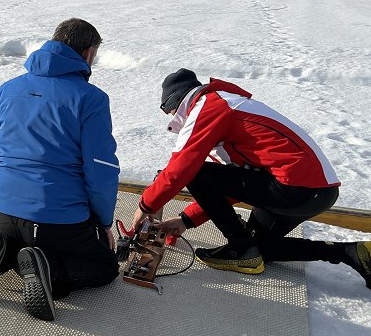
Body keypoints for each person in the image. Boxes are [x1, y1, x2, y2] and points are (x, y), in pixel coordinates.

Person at [130, 69, 370, 287]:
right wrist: (186, 220)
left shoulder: (210, 105)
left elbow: (182, 167)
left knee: (197, 171)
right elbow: (237, 186)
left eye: (170, 113)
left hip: (295, 187)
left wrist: (146, 204)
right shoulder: (230, 105)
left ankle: (241, 249)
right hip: (316, 192)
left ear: (176, 104)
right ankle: (349, 253)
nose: (172, 119)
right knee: (261, 248)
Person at [0, 18, 121, 321]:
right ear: (87, 54)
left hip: (3, 212)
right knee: (105, 266)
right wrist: (102, 221)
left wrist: (8, 183)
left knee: (27, 240)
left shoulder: (8, 89)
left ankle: (4, 250)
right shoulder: (91, 99)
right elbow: (100, 169)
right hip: (57, 220)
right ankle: (49, 270)